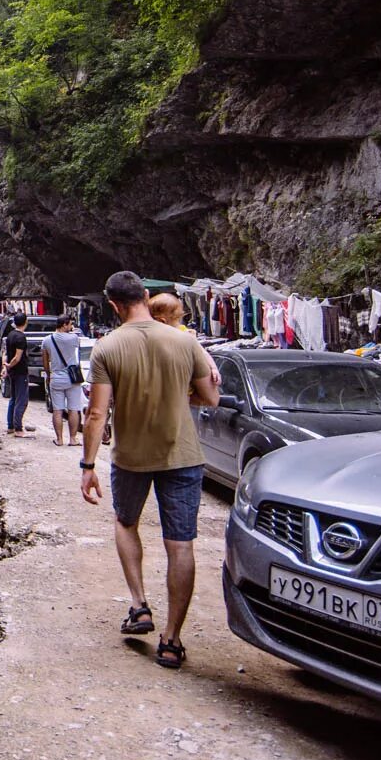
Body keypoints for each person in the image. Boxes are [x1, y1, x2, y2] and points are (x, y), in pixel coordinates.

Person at [81, 271, 220, 671]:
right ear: (145, 295)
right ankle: (172, 640)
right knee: (181, 544)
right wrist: (179, 393)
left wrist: (88, 465)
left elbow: (95, 413)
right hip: (182, 455)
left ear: (113, 304)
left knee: (126, 523)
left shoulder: (107, 348)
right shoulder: (185, 341)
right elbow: (210, 397)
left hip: (131, 457)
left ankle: (140, 605)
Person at [41, 313, 86, 447]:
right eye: (70, 324)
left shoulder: (47, 340)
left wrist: (49, 376)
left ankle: (59, 439)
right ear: (64, 324)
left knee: (58, 410)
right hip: (72, 379)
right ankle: (73, 439)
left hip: (56, 378)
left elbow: (45, 362)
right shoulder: (74, 338)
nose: (71, 326)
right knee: (73, 409)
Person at [0, 313, 33, 435]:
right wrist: (10, 365)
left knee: (13, 398)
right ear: (25, 322)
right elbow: (17, 357)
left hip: (13, 372)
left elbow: (6, 353)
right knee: (21, 400)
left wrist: (7, 367)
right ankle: (18, 428)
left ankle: (11, 426)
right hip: (20, 371)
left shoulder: (10, 335)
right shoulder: (20, 337)